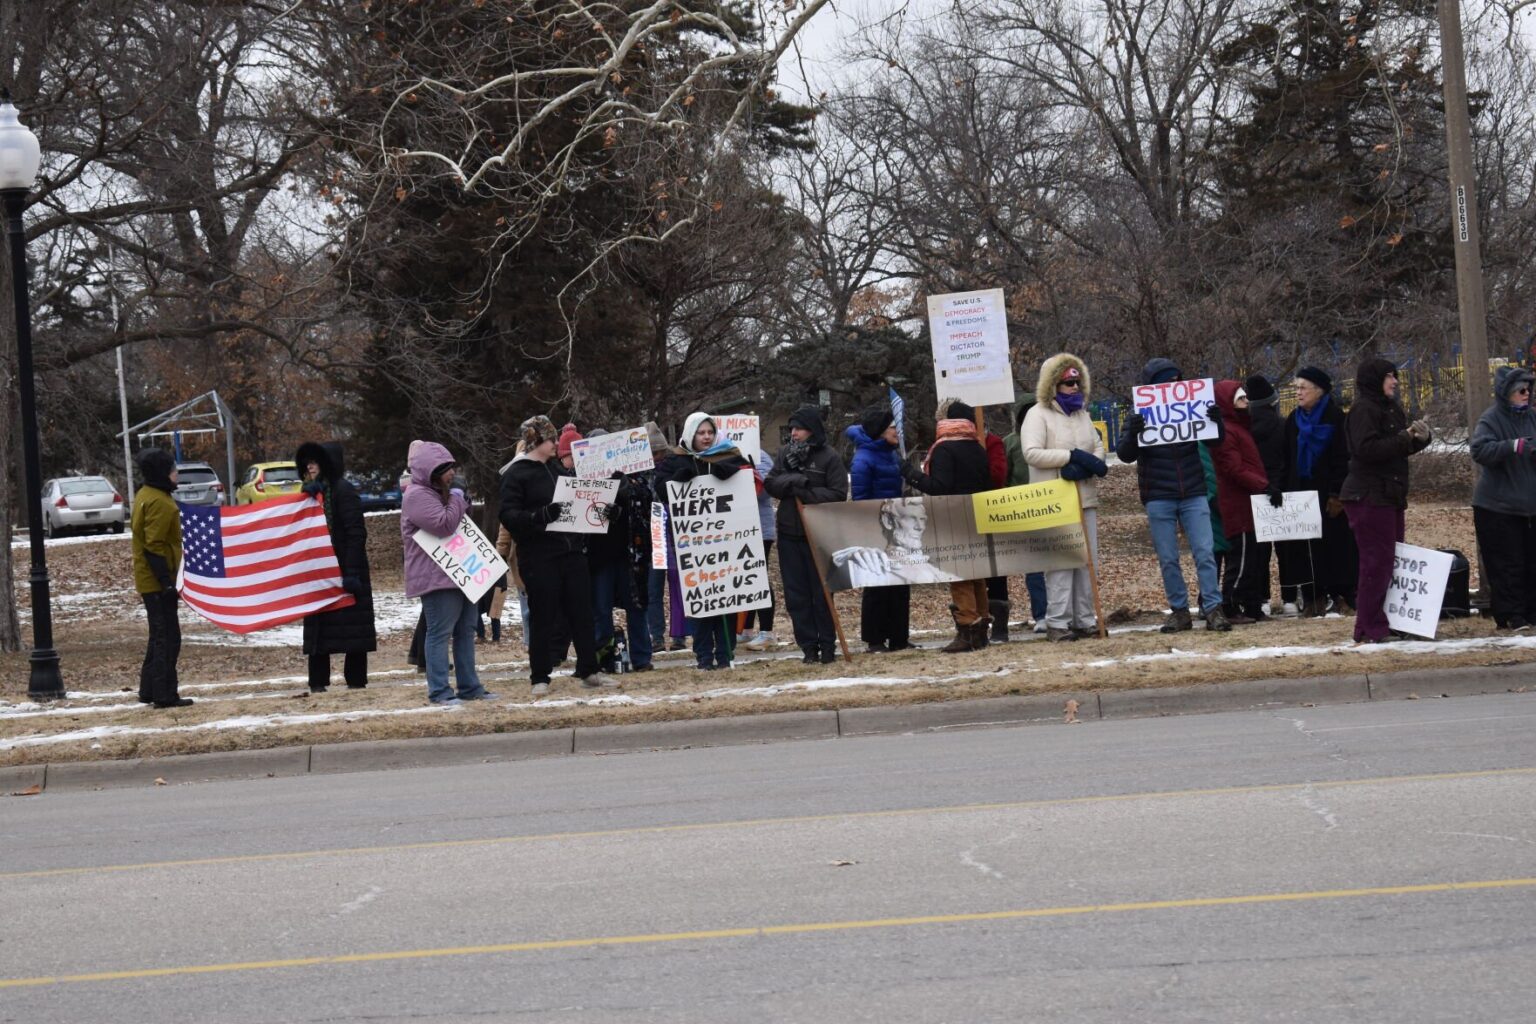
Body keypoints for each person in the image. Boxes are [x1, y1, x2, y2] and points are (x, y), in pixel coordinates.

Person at [500, 415, 619, 694]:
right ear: (536, 440)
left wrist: (606, 511)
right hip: (539, 557)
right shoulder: (516, 475)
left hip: (571, 552)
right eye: (551, 439)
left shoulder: (556, 470)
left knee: (582, 613)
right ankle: (540, 676)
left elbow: (578, 504)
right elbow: (508, 515)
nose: (556, 444)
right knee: (544, 616)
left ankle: (589, 670)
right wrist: (538, 516)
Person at [1116, 358, 1231, 632]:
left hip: (1193, 491)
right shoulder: (1138, 414)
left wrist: (1218, 423)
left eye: (1177, 380)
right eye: (1168, 381)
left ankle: (1213, 608)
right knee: (1168, 557)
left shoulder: (1194, 407)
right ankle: (1179, 611)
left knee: (1205, 552)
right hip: (1158, 495)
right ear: (1153, 387)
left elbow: (1216, 442)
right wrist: (1133, 432)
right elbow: (1124, 454)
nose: (1174, 385)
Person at [1340, 357, 1432, 643]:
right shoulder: (1363, 409)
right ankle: (1368, 628)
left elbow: (1394, 450)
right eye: (1390, 376)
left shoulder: (1390, 408)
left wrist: (1420, 439)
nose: (1395, 381)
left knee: (1388, 562)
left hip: (1389, 495)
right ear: (1375, 379)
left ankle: (1382, 621)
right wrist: (1406, 438)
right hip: (1368, 496)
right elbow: (1367, 450)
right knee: (1376, 562)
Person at [1021, 355, 1108, 642]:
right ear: (1053, 384)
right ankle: (1057, 622)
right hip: (1054, 499)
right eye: (1068, 382)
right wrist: (1068, 457)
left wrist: (1085, 462)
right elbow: (1031, 453)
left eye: (1077, 381)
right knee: (1060, 562)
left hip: (1084, 497)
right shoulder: (1038, 414)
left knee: (1086, 561)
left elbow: (1096, 447)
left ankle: (1084, 619)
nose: (1074, 386)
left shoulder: (1082, 414)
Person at [400, 441, 494, 704]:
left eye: (452, 467)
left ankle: (470, 687)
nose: (452, 473)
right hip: (436, 577)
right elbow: (444, 525)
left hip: (459, 572)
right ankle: (440, 691)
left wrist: (459, 496)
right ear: (430, 472)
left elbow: (461, 520)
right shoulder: (416, 496)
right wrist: (455, 496)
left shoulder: (441, 492)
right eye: (445, 469)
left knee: (465, 630)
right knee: (439, 633)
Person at [901, 398, 996, 652]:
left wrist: (911, 474)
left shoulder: (944, 449)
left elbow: (939, 487)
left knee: (959, 574)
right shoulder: (977, 448)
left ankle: (967, 630)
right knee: (977, 574)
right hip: (977, 515)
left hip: (953, 518)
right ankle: (982, 629)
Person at [663, 412, 754, 669]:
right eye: (701, 433)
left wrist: (731, 472)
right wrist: (676, 480)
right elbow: (660, 491)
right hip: (692, 543)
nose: (706, 437)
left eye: (710, 432)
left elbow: (750, 481)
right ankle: (703, 655)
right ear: (691, 434)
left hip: (726, 542)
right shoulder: (676, 459)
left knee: (726, 600)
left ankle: (726, 654)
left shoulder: (729, 455)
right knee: (701, 602)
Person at [765, 406, 849, 664]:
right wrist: (793, 481)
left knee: (821, 593)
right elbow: (771, 483)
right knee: (796, 595)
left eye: (798, 428)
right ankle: (808, 647)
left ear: (812, 430)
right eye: (791, 428)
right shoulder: (784, 454)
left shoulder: (829, 457)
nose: (793, 433)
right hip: (790, 534)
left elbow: (837, 494)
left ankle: (827, 645)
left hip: (819, 535)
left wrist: (806, 491)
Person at [296, 441, 376, 691]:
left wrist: (351, 572)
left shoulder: (343, 490)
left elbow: (355, 533)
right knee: (319, 631)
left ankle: (356, 681)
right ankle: (318, 683)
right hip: (319, 572)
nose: (310, 466)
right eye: (306, 462)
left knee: (354, 632)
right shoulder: (308, 494)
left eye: (315, 461)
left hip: (346, 571)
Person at [1281, 367, 1357, 617]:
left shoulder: (1336, 418)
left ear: (1319, 390)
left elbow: (1343, 458)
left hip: (1329, 494)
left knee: (1336, 546)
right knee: (1305, 549)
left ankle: (1342, 596)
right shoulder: (1293, 419)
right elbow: (1287, 458)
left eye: (1303, 387)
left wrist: (1337, 494)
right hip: (1301, 494)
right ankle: (1313, 597)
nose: (1298, 392)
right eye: (1297, 388)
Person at [1469, 365, 1536, 630]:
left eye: (1529, 390)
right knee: (1508, 563)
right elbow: (1479, 449)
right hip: (1497, 507)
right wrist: (1512, 446)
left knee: (1531, 561)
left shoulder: (1532, 418)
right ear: (1507, 393)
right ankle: (1510, 615)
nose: (1526, 394)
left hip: (1529, 506)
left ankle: (1531, 611)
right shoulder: (1491, 419)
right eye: (1521, 390)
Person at [587, 430, 656, 673]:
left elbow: (648, 500)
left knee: (636, 607)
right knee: (601, 609)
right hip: (598, 556)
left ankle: (642, 657)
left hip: (631, 554)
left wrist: (626, 490)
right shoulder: (583, 478)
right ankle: (603, 658)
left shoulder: (633, 477)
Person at [847, 405, 912, 652]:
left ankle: (899, 638)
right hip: (875, 527)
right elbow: (861, 498)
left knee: (900, 581)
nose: (897, 431)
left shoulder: (891, 455)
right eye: (892, 427)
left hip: (897, 527)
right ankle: (874, 639)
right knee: (877, 583)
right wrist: (872, 525)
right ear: (880, 432)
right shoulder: (863, 459)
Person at [1209, 382, 1275, 623]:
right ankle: (1230, 604)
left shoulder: (1240, 428)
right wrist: (1263, 485)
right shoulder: (1228, 431)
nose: (1247, 402)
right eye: (1241, 399)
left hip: (1249, 502)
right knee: (1242, 558)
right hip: (1237, 503)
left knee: (1253, 558)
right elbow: (1234, 468)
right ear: (1228, 403)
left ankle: (1251, 605)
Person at [132, 447, 191, 708]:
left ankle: (149, 690)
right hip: (157, 580)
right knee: (167, 636)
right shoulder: (159, 501)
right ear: (162, 473)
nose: (176, 474)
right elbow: (153, 545)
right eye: (172, 470)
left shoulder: (146, 494)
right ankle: (164, 694)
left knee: (158, 634)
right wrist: (166, 581)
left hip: (151, 579)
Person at [1003, 391, 1049, 631]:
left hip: (1054, 507)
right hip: (1023, 511)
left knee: (1060, 561)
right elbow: (1004, 477)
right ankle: (1041, 614)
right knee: (1034, 566)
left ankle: (1064, 611)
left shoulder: (1052, 437)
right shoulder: (1010, 442)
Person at [1243, 374, 1288, 614]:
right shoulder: (1282, 425)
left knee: (1256, 549)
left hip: (1252, 490)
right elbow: (1287, 459)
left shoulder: (1244, 428)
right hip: (1279, 489)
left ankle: (1259, 596)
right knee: (1285, 547)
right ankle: (1289, 595)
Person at [739, 448, 779, 651]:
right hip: (738, 529)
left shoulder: (760, 456)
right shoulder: (723, 458)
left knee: (759, 577)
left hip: (760, 528)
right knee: (746, 578)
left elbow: (765, 491)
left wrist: (750, 472)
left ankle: (766, 631)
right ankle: (746, 629)